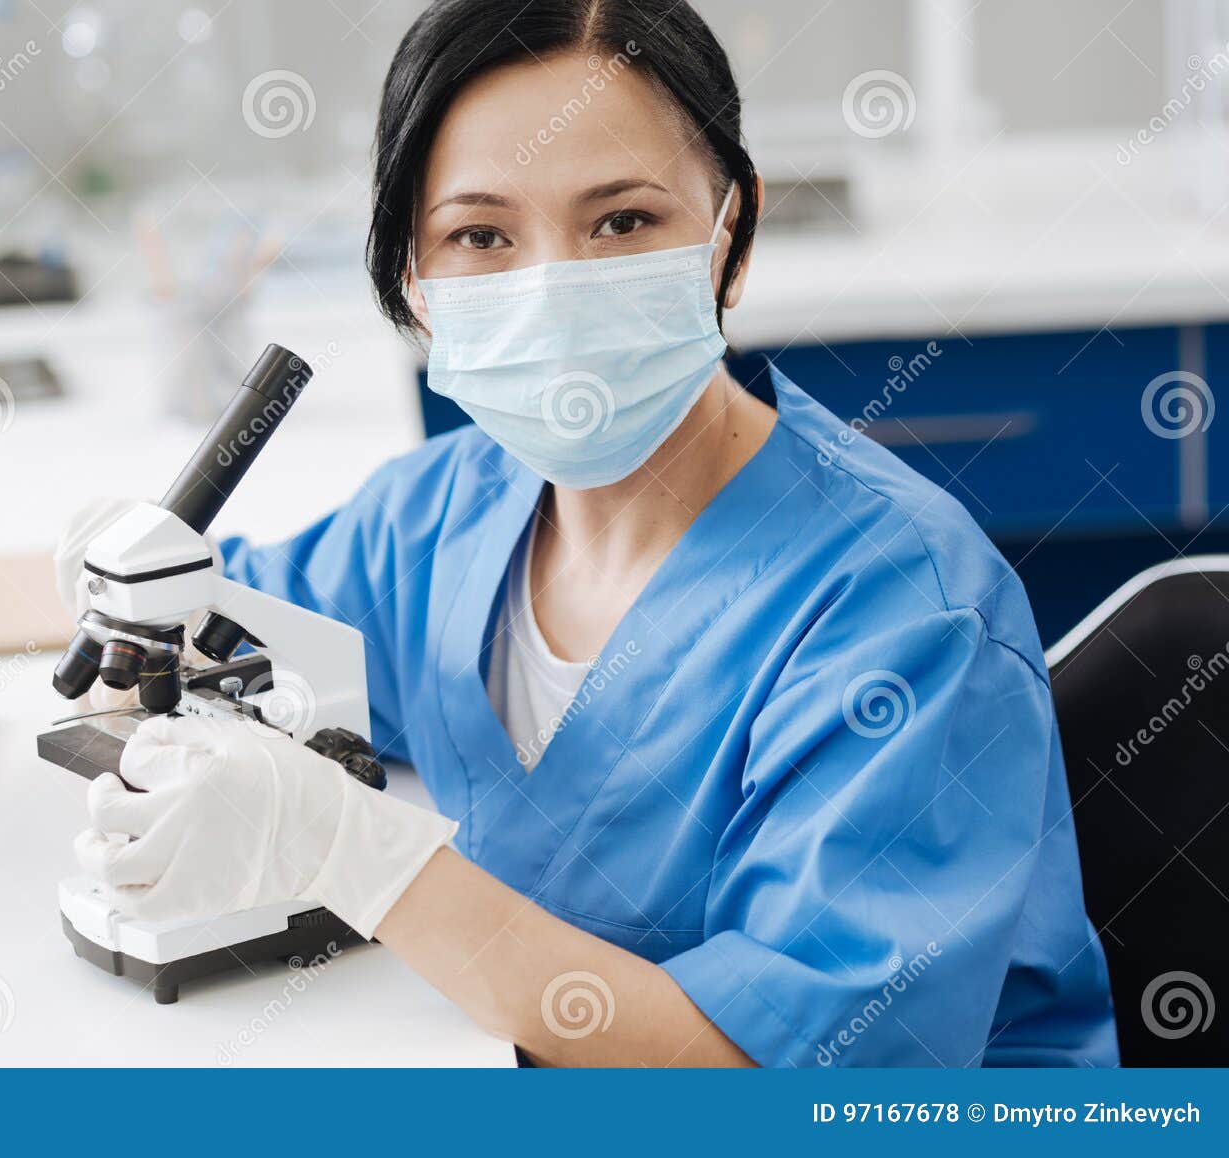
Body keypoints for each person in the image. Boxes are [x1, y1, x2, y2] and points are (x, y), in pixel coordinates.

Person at [57, 0, 1119, 1067]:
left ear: (729, 235)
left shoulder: (901, 608)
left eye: (622, 222)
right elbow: (218, 633)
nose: (553, 286)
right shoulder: (434, 518)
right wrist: (133, 600)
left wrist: (357, 855)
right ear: (415, 286)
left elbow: (783, 1079)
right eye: (480, 235)